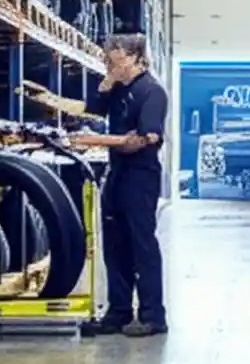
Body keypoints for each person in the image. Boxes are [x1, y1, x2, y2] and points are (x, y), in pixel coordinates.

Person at [82, 33, 169, 337]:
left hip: (141, 176)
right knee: (115, 243)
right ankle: (118, 312)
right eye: (107, 60)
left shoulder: (152, 91)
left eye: (114, 60)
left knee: (141, 243)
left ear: (133, 57)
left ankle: (153, 316)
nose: (110, 64)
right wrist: (104, 86)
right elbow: (93, 114)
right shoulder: (118, 89)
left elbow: (146, 139)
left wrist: (101, 141)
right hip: (117, 173)